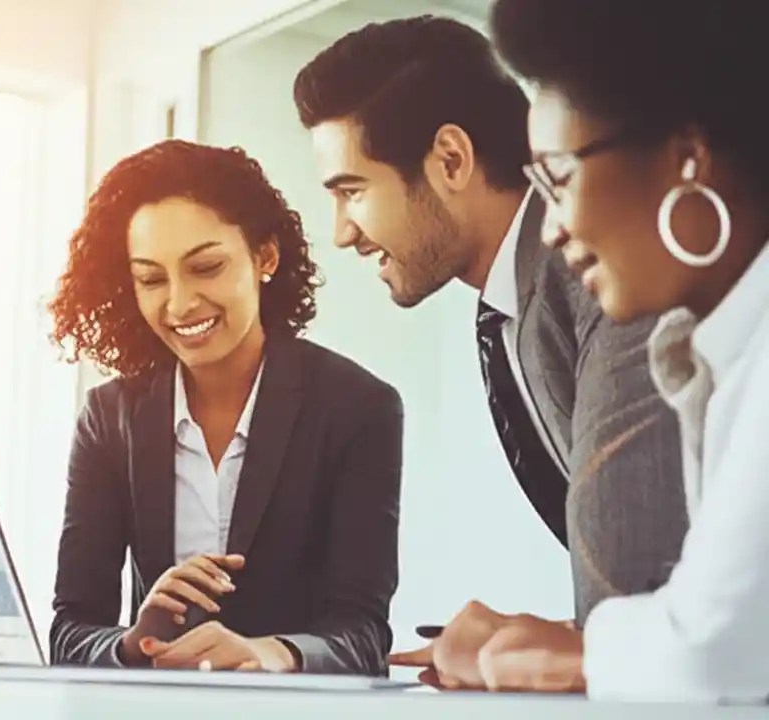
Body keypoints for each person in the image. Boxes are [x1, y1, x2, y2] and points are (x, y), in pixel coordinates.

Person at [292, 15, 688, 682]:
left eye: (351, 192)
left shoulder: (603, 276)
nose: (341, 233)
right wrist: (539, 644)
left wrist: (564, 652)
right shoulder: (512, 304)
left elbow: (639, 583)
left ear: (451, 160)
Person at [418, 0, 769, 701]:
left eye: (558, 176)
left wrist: (576, 654)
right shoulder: (723, 353)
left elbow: (715, 651)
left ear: (688, 159)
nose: (551, 229)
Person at [47, 140, 402, 674]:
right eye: (151, 279)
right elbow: (71, 632)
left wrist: (272, 653)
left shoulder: (357, 408)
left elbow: (363, 636)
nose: (179, 303)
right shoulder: (108, 419)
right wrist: (134, 642)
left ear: (266, 257)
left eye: (207, 267)